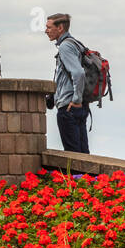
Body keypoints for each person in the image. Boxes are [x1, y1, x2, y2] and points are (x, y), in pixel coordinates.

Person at [44, 13, 89, 154]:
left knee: (73, 155)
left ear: (60, 28)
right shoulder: (75, 43)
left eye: (49, 27)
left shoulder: (65, 46)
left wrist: (75, 100)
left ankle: (76, 177)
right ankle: (85, 177)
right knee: (83, 154)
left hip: (69, 107)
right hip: (79, 106)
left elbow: (78, 72)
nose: (46, 31)